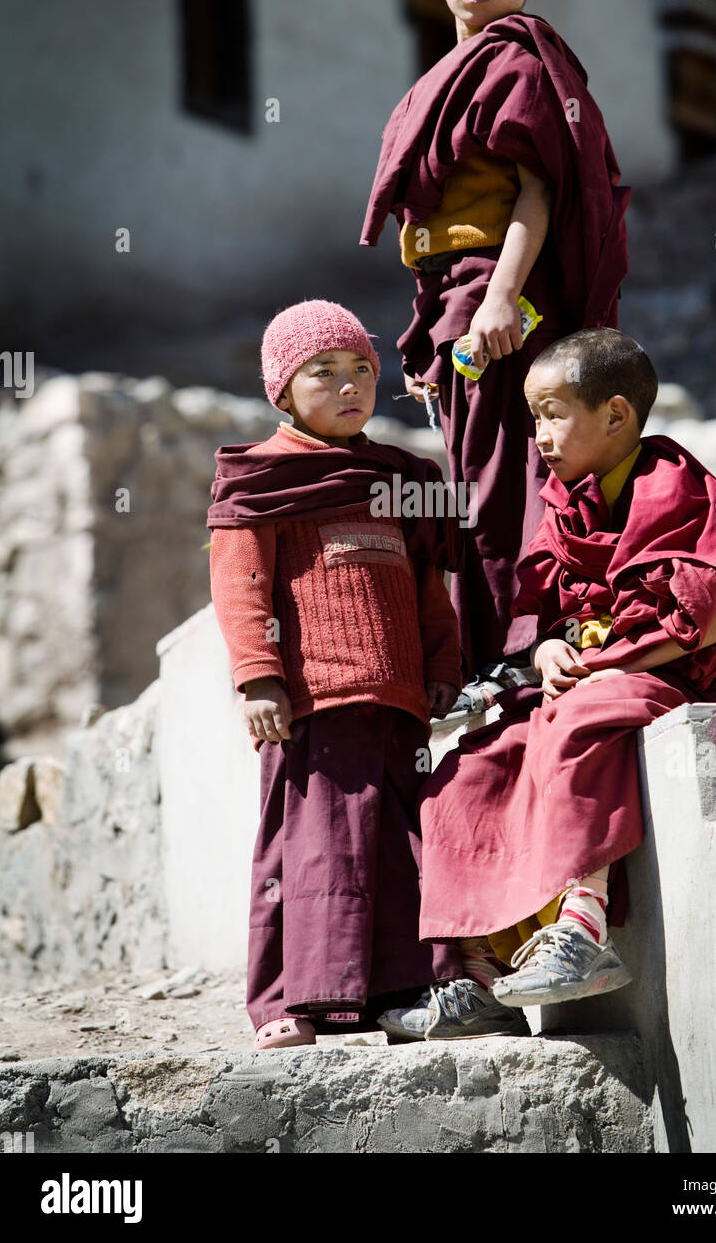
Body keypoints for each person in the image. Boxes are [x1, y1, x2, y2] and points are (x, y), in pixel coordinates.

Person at [378, 330, 716, 1041]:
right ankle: (481, 976)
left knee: (578, 720)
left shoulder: (674, 487)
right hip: (589, 676)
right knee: (471, 766)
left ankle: (582, 931)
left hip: (666, 676)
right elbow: (558, 615)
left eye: (554, 413)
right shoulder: (569, 499)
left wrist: (616, 663)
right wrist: (553, 645)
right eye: (533, 417)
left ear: (616, 416)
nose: (540, 435)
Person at [206, 300, 530, 1048]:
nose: (349, 386)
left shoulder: (395, 477)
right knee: (307, 850)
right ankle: (285, 1005)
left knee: (400, 852)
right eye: (324, 373)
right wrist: (259, 679)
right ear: (282, 391)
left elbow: (430, 587)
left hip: (400, 702)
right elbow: (240, 587)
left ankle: (404, 996)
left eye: (362, 371)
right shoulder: (260, 482)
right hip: (312, 702)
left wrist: (444, 668)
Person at [361, 0, 630, 687]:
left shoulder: (518, 59)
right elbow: (427, 225)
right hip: (456, 303)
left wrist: (501, 298)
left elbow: (537, 194)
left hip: (503, 299)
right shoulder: (443, 74)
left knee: (510, 463)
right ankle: (494, 648)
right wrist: (426, 334)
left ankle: (526, 640)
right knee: (474, 463)